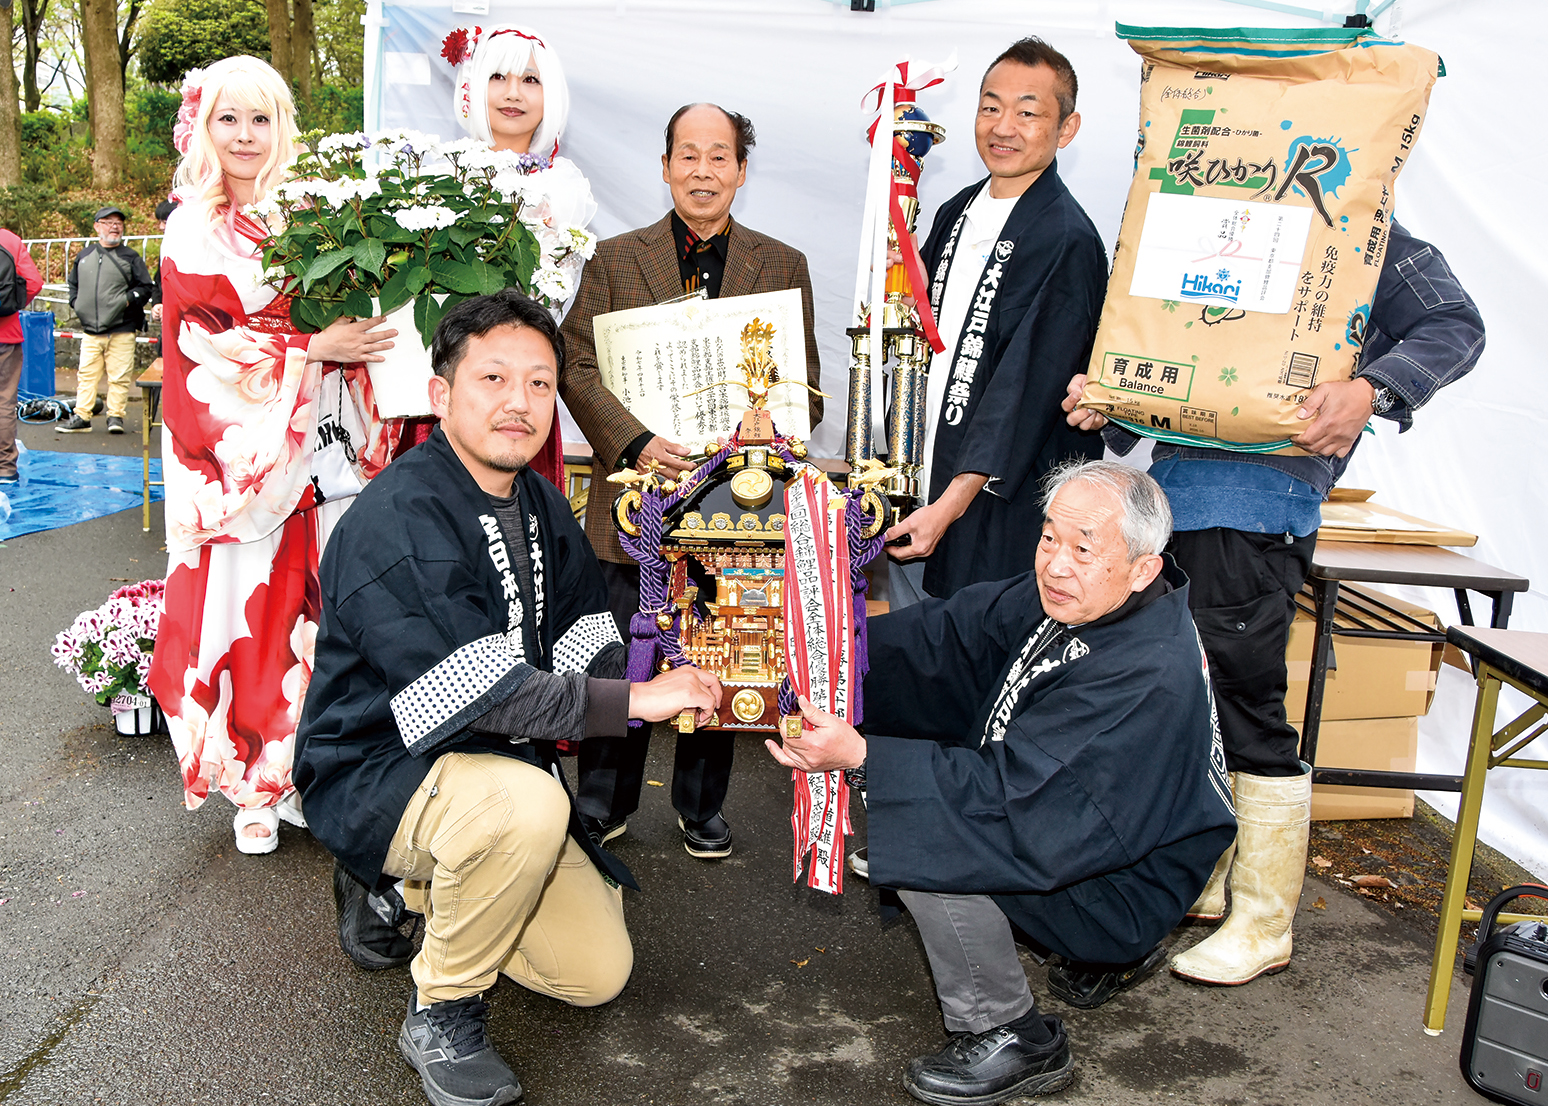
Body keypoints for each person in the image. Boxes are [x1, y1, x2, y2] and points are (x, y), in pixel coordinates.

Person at [294, 290, 723, 1106]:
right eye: (493, 377)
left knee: (596, 974)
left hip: (492, 771)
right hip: (382, 767)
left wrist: (672, 652)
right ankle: (443, 1007)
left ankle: (411, 889)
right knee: (527, 807)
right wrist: (638, 702)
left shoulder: (538, 499)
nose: (519, 403)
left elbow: (581, 631)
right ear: (441, 395)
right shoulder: (399, 517)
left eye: (538, 384)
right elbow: (481, 695)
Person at [1063, 221, 1485, 986]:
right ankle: (1214, 872)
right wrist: (1114, 400)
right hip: (1171, 498)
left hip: (1258, 500)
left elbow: (1455, 324)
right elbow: (1174, 353)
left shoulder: (1363, 228)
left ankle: (1264, 916)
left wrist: (1371, 389)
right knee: (1181, 695)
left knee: (1242, 698)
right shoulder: (1210, 215)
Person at [767, 459, 1235, 1105]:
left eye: (1083, 548)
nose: (1056, 565)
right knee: (924, 779)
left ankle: (1013, 1033)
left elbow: (1020, 805)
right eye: (1049, 538)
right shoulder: (1088, 597)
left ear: (1143, 567)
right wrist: (819, 659)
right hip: (1092, 831)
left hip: (1122, 886)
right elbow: (944, 639)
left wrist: (865, 759)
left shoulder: (1144, 673)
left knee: (934, 833)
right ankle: (1085, 962)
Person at [145, 55, 401, 855]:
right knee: (248, 621)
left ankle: (309, 773)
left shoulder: (315, 215)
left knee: (320, 622)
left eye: (262, 119)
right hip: (244, 457)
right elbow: (203, 346)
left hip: (323, 447)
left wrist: (344, 346)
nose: (246, 136)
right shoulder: (193, 225)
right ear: (204, 128)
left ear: (283, 127)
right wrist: (309, 347)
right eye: (230, 119)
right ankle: (251, 785)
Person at [559, 102, 823, 859]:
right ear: (666, 164)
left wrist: (771, 426)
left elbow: (801, 386)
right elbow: (577, 365)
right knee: (621, 655)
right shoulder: (612, 259)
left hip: (732, 506)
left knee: (717, 650)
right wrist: (634, 440)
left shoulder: (781, 266)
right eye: (688, 155)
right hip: (636, 501)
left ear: (741, 170)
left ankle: (701, 806)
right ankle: (602, 803)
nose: (703, 171)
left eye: (720, 157)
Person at [883, 37, 1107, 607]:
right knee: (917, 660)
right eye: (991, 106)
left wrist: (949, 505)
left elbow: (1024, 390)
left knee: (976, 669)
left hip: (991, 507)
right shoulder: (956, 210)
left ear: (1067, 128)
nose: (1004, 126)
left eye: (1028, 112)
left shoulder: (1067, 239)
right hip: (921, 485)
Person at [396, 20, 598, 485]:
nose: (514, 94)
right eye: (498, 78)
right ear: (473, 88)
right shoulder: (439, 175)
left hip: (520, 401)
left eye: (530, 81)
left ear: (552, 96)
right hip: (443, 390)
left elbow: (558, 302)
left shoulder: (564, 188)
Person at [56, 206, 154, 435]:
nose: (115, 226)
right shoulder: (84, 256)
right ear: (97, 226)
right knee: (86, 375)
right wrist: (75, 302)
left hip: (122, 327)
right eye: (109, 222)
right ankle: (82, 416)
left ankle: (115, 416)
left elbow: (146, 287)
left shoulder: (130, 257)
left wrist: (127, 300)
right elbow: (73, 284)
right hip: (91, 329)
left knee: (119, 375)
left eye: (118, 222)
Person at [0, 227, 43, 484]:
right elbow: (34, 282)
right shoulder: (9, 239)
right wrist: (13, 304)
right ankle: (5, 467)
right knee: (4, 401)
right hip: (6, 334)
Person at [148, 197, 180, 358]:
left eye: (165, 222)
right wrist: (157, 303)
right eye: (160, 222)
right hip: (167, 327)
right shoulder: (165, 246)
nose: (161, 227)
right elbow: (158, 282)